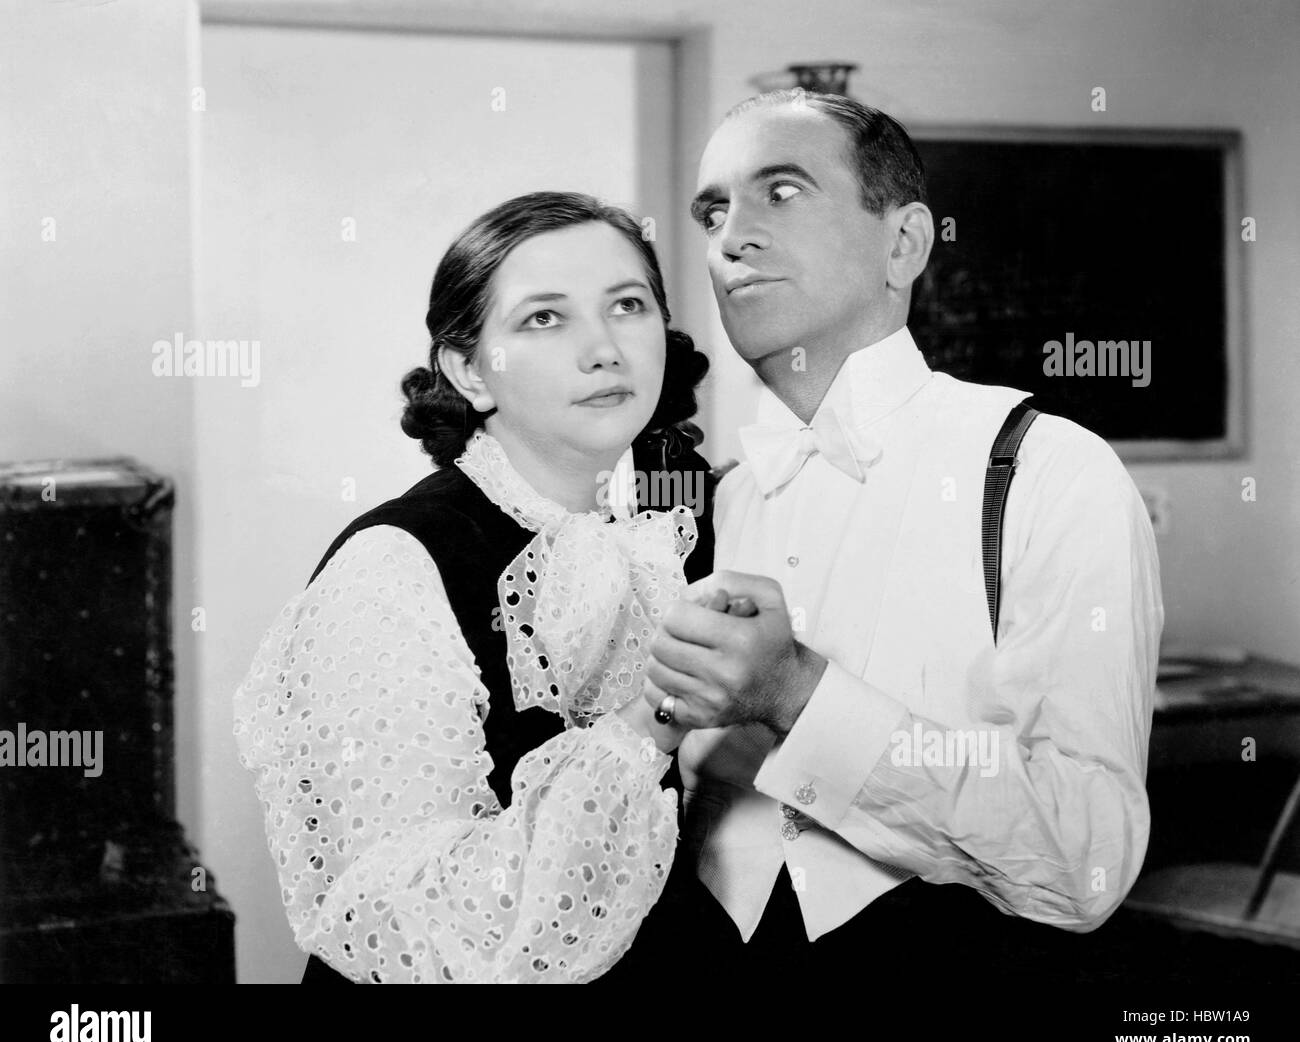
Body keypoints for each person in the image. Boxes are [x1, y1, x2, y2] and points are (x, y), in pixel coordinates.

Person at [641, 90, 1165, 985]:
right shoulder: (712, 504)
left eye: (784, 191)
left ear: (905, 243)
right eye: (714, 210)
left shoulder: (1048, 474)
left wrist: (799, 695)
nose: (732, 237)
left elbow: (1091, 865)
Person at [233, 191, 717, 983]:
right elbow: (400, 916)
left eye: (628, 306)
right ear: (468, 370)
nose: (605, 349)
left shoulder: (677, 528)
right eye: (545, 318)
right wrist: (650, 721)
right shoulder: (394, 566)